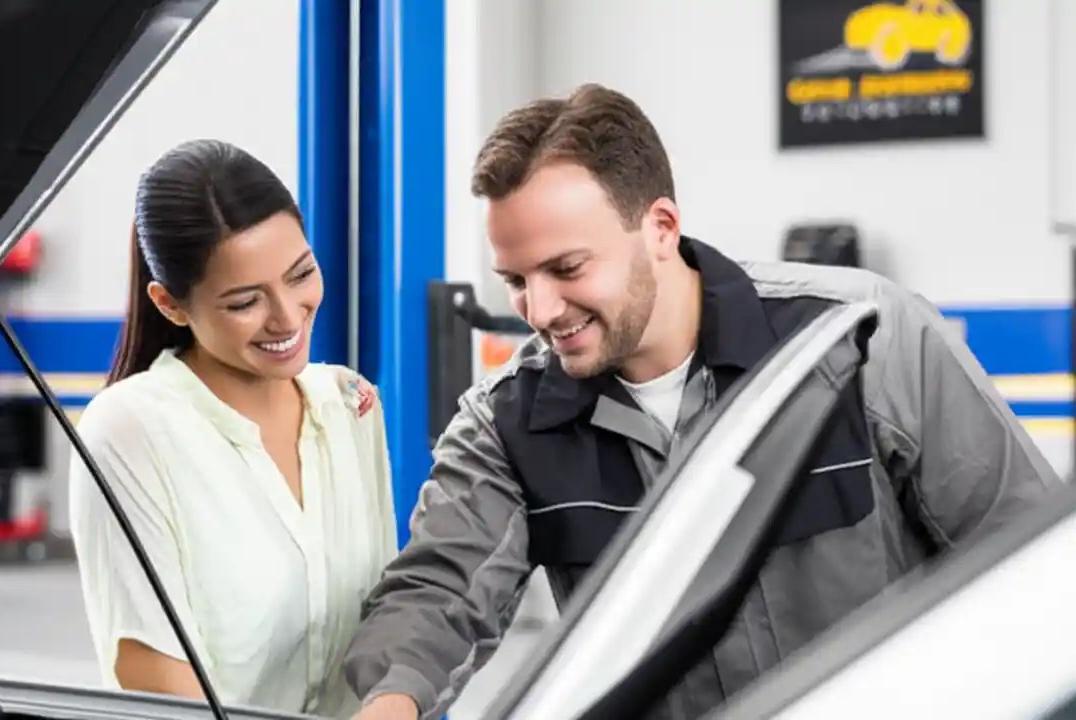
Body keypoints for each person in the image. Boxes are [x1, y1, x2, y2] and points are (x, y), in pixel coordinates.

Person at [344, 83, 1062, 720]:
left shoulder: (864, 340)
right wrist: (391, 702)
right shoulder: (508, 423)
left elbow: (1028, 560)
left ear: (659, 227)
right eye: (515, 279)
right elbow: (440, 590)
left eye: (566, 268)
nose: (539, 308)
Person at [68, 139, 397, 719]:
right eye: (246, 301)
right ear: (170, 305)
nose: (288, 316)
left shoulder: (349, 404)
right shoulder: (128, 431)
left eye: (301, 275)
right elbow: (152, 676)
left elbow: (385, 624)